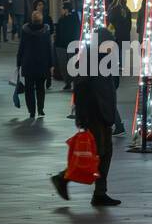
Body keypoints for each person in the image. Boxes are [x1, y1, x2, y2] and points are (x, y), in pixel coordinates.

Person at [51, 28, 120, 206]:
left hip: (103, 113)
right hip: (94, 113)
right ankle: (65, 178)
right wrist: (82, 116)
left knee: (104, 153)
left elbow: (111, 86)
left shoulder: (104, 60)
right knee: (96, 153)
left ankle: (99, 192)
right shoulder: (88, 61)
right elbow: (81, 89)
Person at [17, 9, 54, 119]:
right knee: (40, 88)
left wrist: (18, 62)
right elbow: (49, 48)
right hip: (42, 64)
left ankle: (31, 110)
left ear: (31, 19)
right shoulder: (46, 30)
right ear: (41, 19)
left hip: (28, 63)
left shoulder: (25, 30)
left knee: (29, 89)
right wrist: (51, 64)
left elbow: (21, 46)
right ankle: (40, 108)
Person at [55, 2, 80, 91]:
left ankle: (73, 83)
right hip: (62, 45)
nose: (61, 10)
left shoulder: (72, 18)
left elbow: (75, 31)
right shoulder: (62, 19)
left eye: (63, 8)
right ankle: (68, 83)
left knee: (71, 65)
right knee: (64, 65)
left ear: (66, 9)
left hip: (70, 44)